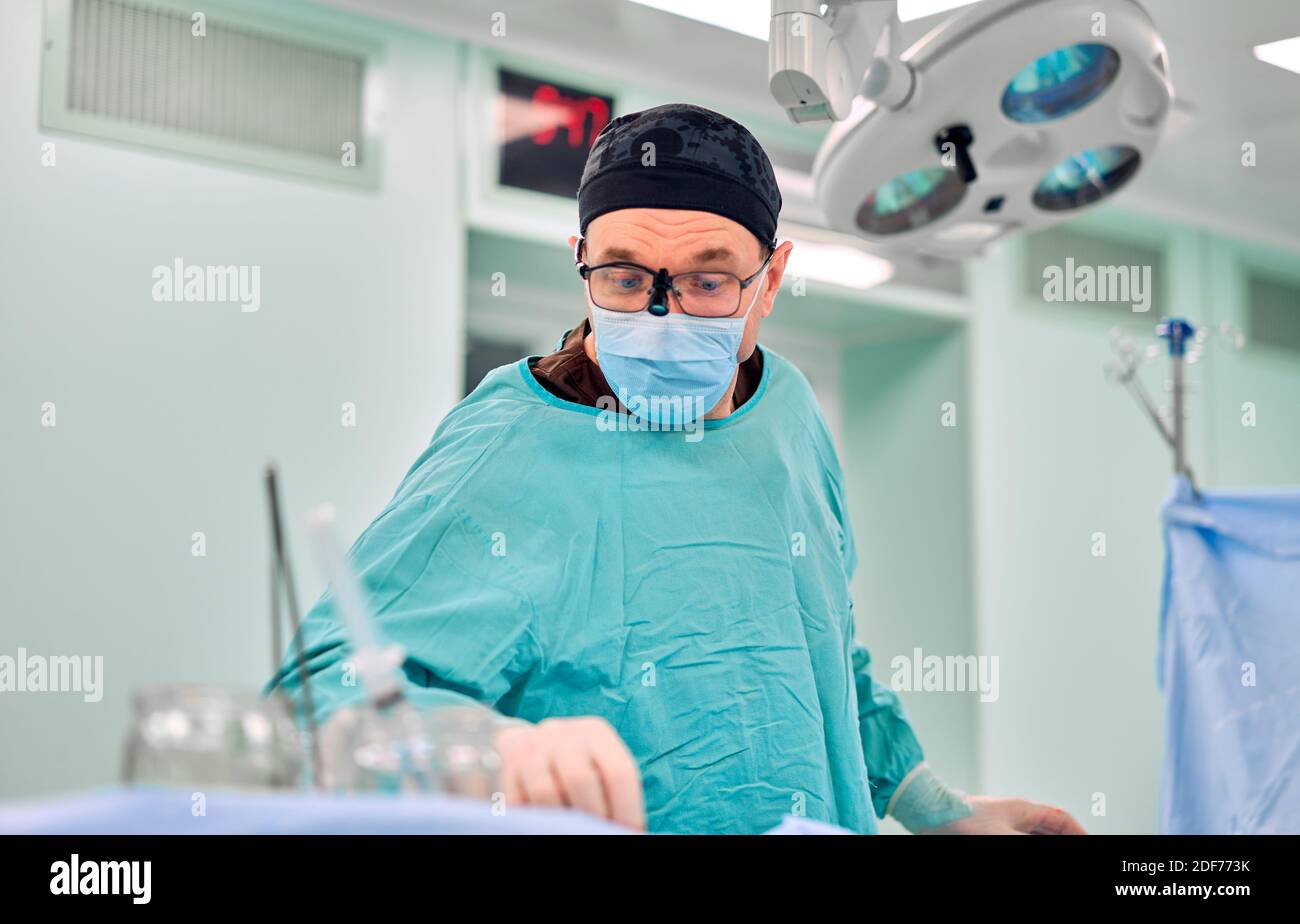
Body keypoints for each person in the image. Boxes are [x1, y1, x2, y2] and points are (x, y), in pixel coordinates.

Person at [271, 103, 1084, 835]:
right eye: (625, 279)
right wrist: (490, 748)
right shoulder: (510, 442)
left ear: (771, 280)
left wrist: (939, 812)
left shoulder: (791, 416)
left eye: (707, 281)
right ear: (580, 262)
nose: (661, 316)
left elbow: (826, 648)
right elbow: (323, 691)